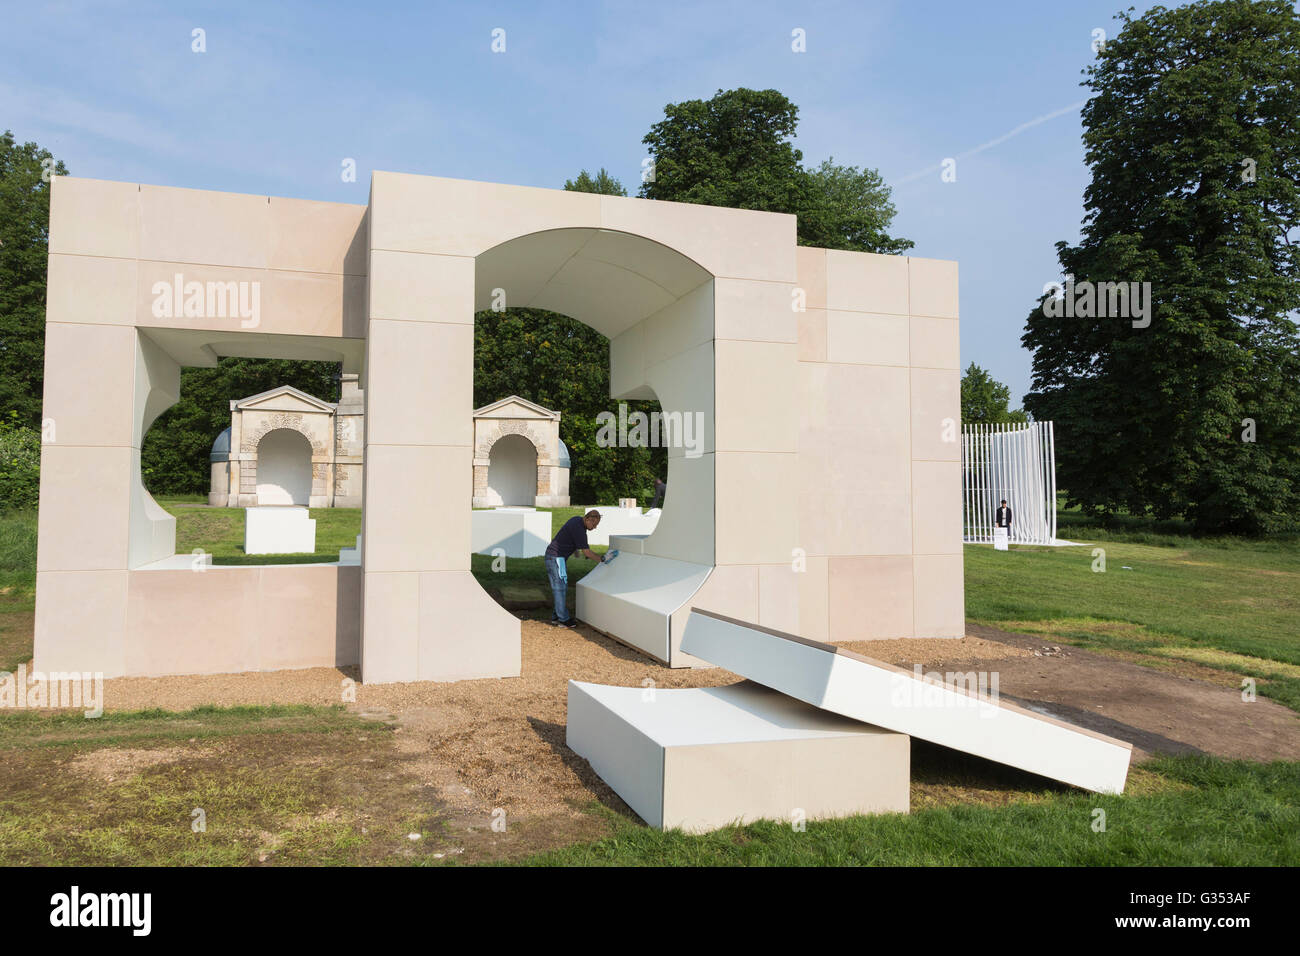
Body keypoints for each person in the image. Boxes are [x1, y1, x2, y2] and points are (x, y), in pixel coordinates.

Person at [544, 510, 607, 628]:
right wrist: (603, 560)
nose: (595, 528)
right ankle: (563, 619)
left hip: (556, 558)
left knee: (561, 587)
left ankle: (557, 616)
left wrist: (575, 550)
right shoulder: (580, 530)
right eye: (594, 525)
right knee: (560, 588)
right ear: (588, 519)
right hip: (555, 558)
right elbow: (587, 553)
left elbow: (569, 537)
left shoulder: (576, 520)